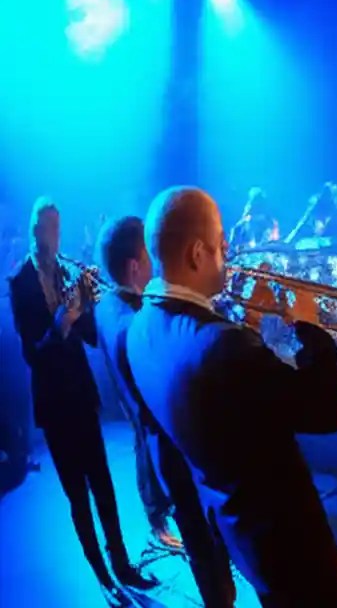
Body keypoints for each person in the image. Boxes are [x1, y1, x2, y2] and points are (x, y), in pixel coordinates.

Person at [127, 187, 337, 607]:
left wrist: (248, 327)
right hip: (288, 540)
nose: (229, 253)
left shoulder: (140, 327)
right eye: (222, 244)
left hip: (240, 528)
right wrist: (311, 329)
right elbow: (325, 411)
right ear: (197, 254)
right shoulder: (221, 345)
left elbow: (227, 401)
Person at [8, 198, 156, 606]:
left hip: (81, 394)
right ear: (33, 229)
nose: (53, 236)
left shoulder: (67, 273)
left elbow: (90, 336)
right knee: (78, 495)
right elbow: (32, 355)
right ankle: (102, 574)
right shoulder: (19, 281)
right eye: (46, 227)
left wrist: (89, 305)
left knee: (104, 486)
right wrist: (61, 324)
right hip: (54, 404)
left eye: (57, 227)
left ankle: (123, 565)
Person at [94, 216, 236, 607]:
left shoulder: (107, 304)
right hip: (172, 447)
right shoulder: (134, 325)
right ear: (135, 266)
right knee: (200, 536)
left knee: (197, 533)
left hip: (152, 441)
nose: (158, 265)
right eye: (149, 256)